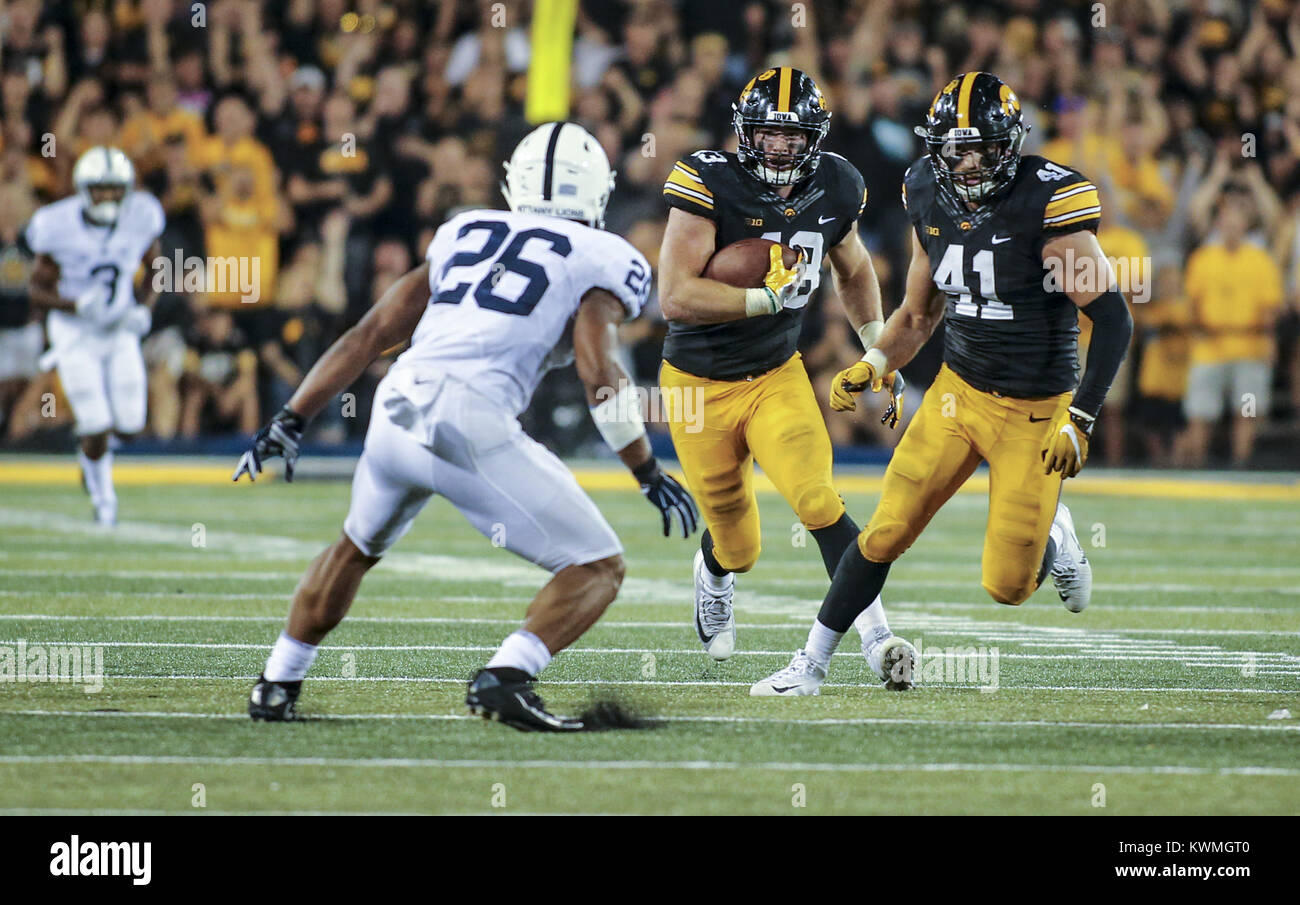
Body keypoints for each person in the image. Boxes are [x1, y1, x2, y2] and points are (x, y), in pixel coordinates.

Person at [234, 123, 698, 731]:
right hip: (470, 420)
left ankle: (277, 682)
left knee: (354, 547)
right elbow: (600, 372)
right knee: (598, 565)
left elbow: (370, 334)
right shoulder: (605, 255)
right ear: (598, 192)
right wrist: (645, 469)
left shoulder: (466, 230)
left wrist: (291, 416)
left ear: (515, 183)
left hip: (398, 404)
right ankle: (506, 676)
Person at [754, 72, 1132, 696]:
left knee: (1007, 588)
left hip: (1037, 408)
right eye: (955, 149)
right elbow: (919, 313)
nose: (966, 163)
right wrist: (875, 362)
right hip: (960, 393)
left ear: (1009, 144)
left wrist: (1081, 417)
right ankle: (811, 665)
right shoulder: (926, 191)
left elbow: (1113, 319)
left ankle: (1055, 530)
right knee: (884, 532)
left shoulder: (1048, 203)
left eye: (980, 148)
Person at [658, 67, 904, 676]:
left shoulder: (837, 184)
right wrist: (761, 300)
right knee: (739, 548)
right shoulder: (707, 179)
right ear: (746, 132)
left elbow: (852, 267)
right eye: (768, 133)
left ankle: (878, 638)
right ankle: (712, 573)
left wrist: (876, 342)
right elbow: (676, 295)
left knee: (818, 499)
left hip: (775, 373)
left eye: (793, 137)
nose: (780, 147)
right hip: (697, 385)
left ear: (815, 137)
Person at [24, 146, 163, 525]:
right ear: (83, 189)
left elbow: (157, 268)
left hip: (118, 328)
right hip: (74, 333)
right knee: (95, 421)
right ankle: (104, 498)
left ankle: (91, 454)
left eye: (115, 189)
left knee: (132, 425)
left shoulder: (142, 216)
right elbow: (35, 289)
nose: (108, 197)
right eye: (100, 189)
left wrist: (142, 309)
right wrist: (72, 305)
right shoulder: (56, 224)